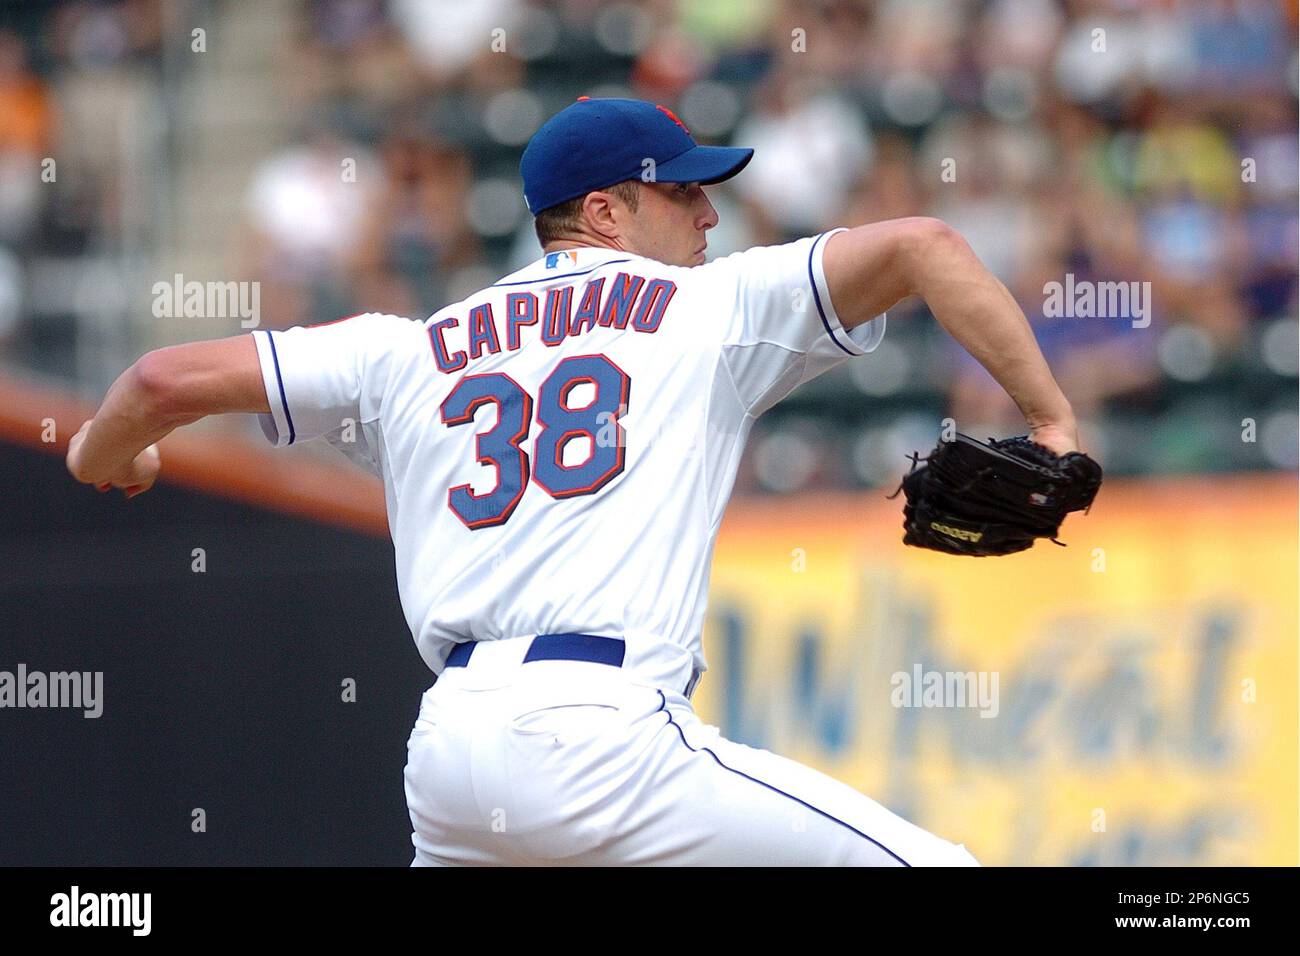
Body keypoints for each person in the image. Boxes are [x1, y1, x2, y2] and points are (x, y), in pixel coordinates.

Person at [65, 98, 1079, 865]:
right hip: (603, 740)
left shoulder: (408, 349)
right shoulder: (703, 310)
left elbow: (158, 380)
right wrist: (1049, 419)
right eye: (681, 190)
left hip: (450, 756)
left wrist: (104, 458)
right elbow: (925, 246)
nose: (708, 211)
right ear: (605, 210)